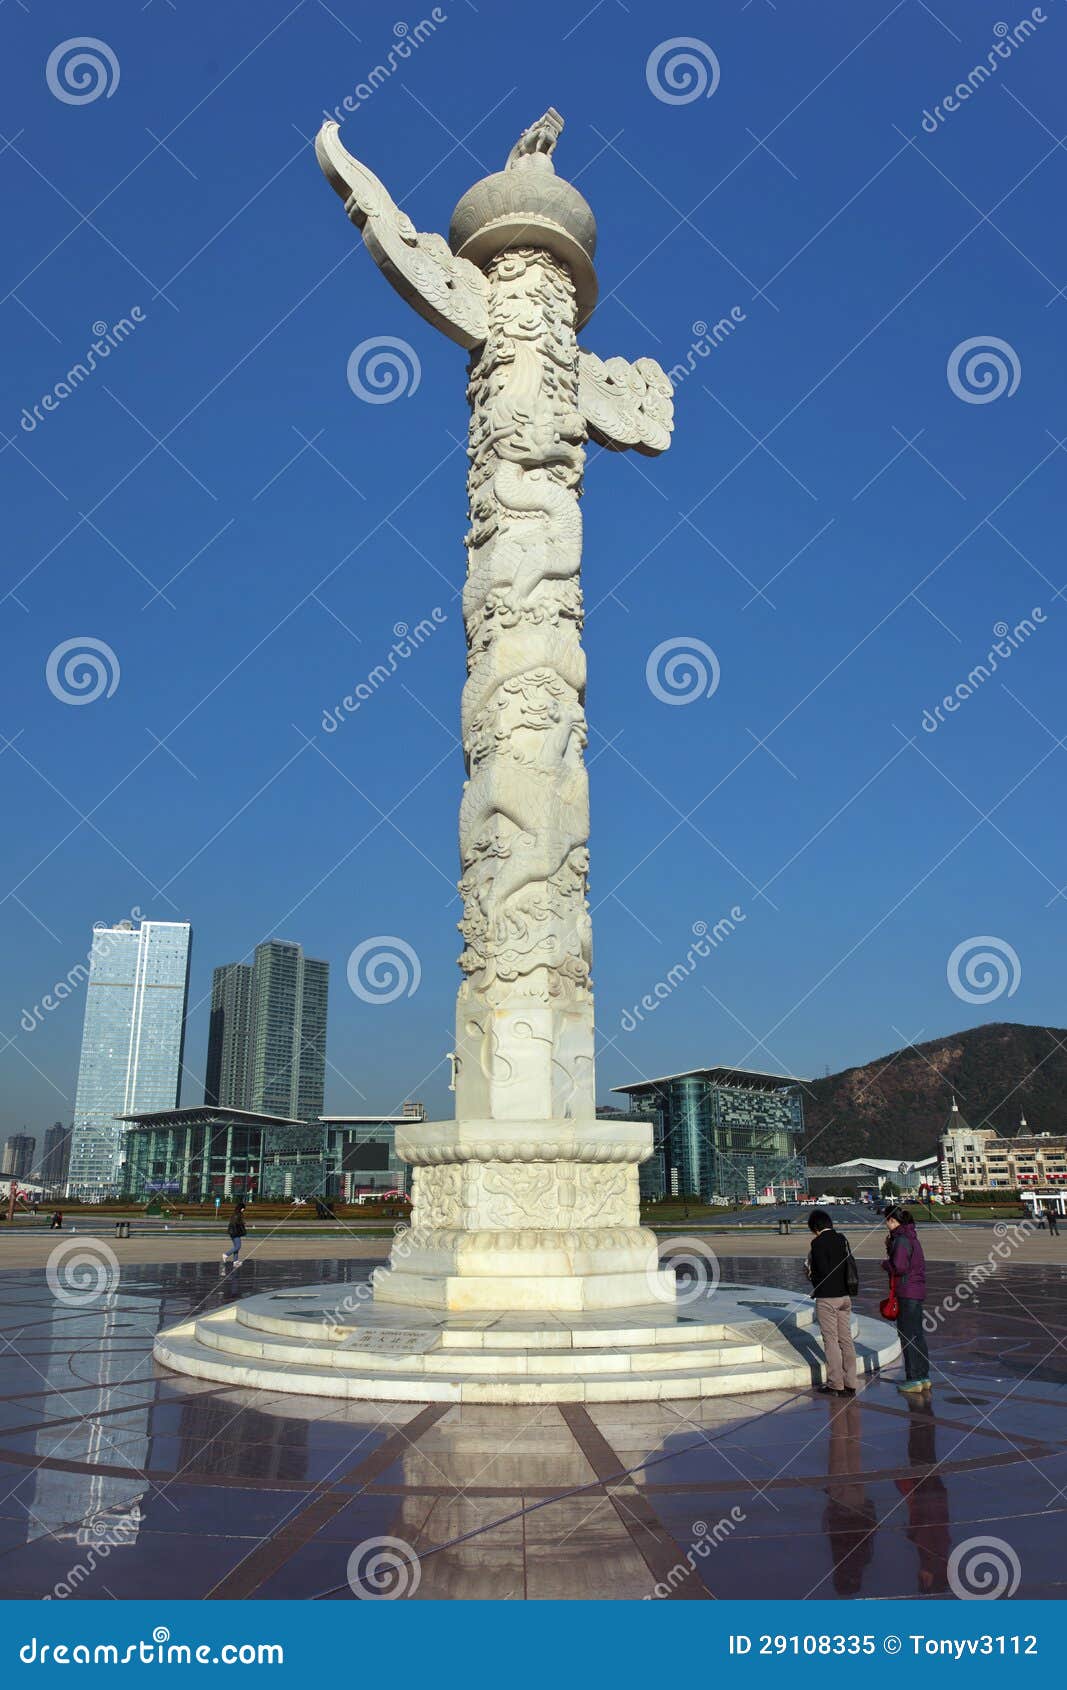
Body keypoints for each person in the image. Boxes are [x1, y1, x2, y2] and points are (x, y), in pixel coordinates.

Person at [806, 1209, 859, 1397]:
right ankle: (851, 1382)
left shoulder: (817, 1243)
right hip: (845, 1295)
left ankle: (835, 1383)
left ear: (815, 1227)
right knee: (846, 1339)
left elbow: (821, 1272)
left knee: (831, 1341)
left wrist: (809, 1272)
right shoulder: (842, 1239)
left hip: (827, 1297)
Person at [883, 1205, 930, 1394]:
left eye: (887, 1221)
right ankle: (923, 1375)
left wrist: (886, 1264)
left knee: (907, 1336)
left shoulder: (901, 1240)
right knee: (917, 1335)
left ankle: (913, 1378)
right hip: (917, 1291)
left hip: (907, 1291)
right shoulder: (913, 1238)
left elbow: (899, 1267)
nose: (886, 1225)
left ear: (893, 1221)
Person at [222, 1200, 247, 1267]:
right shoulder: (237, 1215)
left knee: (236, 1247)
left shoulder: (236, 1214)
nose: (243, 1210)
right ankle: (226, 1254)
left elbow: (236, 1223)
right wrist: (241, 1224)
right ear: (241, 1208)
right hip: (235, 1233)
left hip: (233, 1232)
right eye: (243, 1208)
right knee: (238, 1246)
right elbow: (235, 1223)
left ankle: (235, 1261)